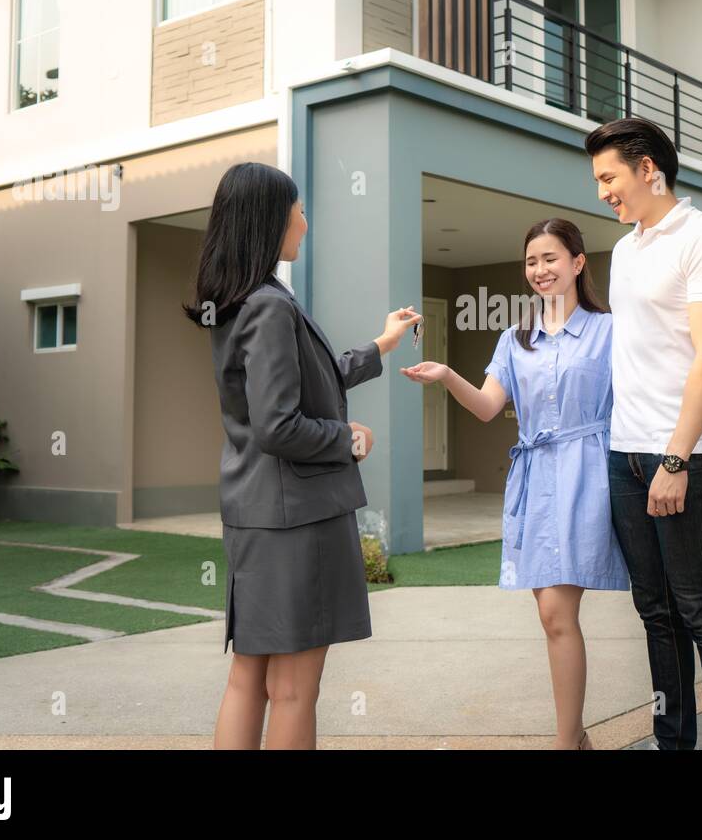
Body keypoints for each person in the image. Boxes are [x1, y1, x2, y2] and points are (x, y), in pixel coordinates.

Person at [184, 161, 419, 750]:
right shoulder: (270, 305)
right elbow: (279, 424)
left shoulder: (237, 301)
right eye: (299, 212)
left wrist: (381, 345)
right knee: (293, 690)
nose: (306, 224)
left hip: (258, 513)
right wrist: (348, 440)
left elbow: (304, 385)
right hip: (298, 517)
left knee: (250, 678)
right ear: (271, 220)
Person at [400, 219, 627, 749]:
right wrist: (447, 376)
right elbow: (486, 407)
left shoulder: (611, 329)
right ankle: (575, 737)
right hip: (535, 479)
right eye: (531, 261)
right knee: (552, 616)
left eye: (551, 258)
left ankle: (567, 741)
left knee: (556, 611)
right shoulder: (514, 337)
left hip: (591, 474)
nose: (540, 270)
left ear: (577, 263)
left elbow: (643, 388)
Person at [587, 117, 702, 750]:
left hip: (687, 453)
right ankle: (672, 740)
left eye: (610, 177)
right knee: (655, 613)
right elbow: (650, 347)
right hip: (625, 450)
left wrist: (676, 460)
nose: (603, 191)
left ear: (648, 168)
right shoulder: (626, 248)